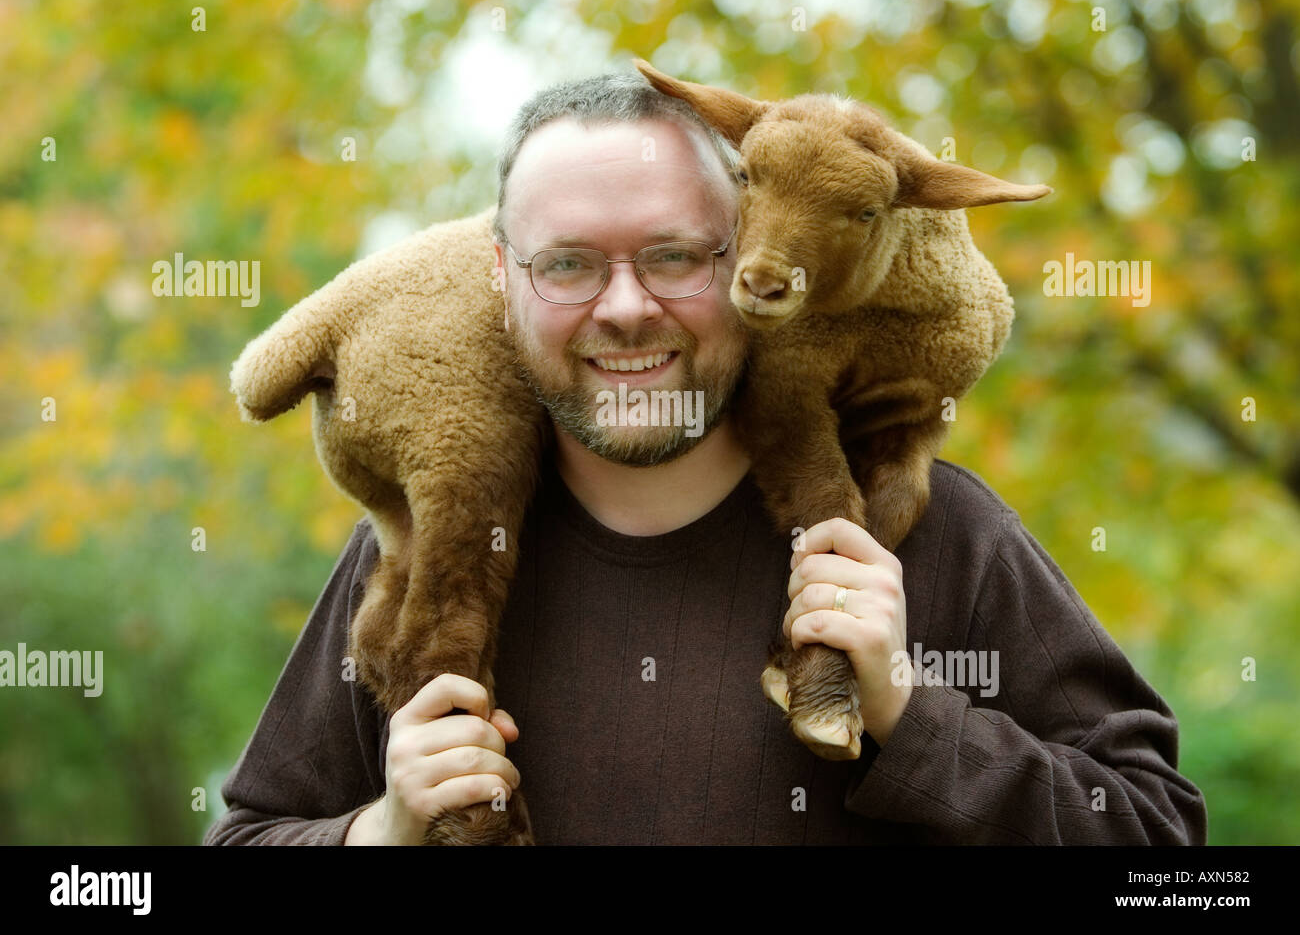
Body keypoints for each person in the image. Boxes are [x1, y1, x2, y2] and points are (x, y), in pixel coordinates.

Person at [204, 71, 1207, 845]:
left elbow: (1167, 848)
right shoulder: (425, 560)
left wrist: (914, 713)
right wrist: (379, 830)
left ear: (748, 252)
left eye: (676, 254)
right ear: (503, 279)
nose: (628, 305)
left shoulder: (932, 528)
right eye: (568, 263)